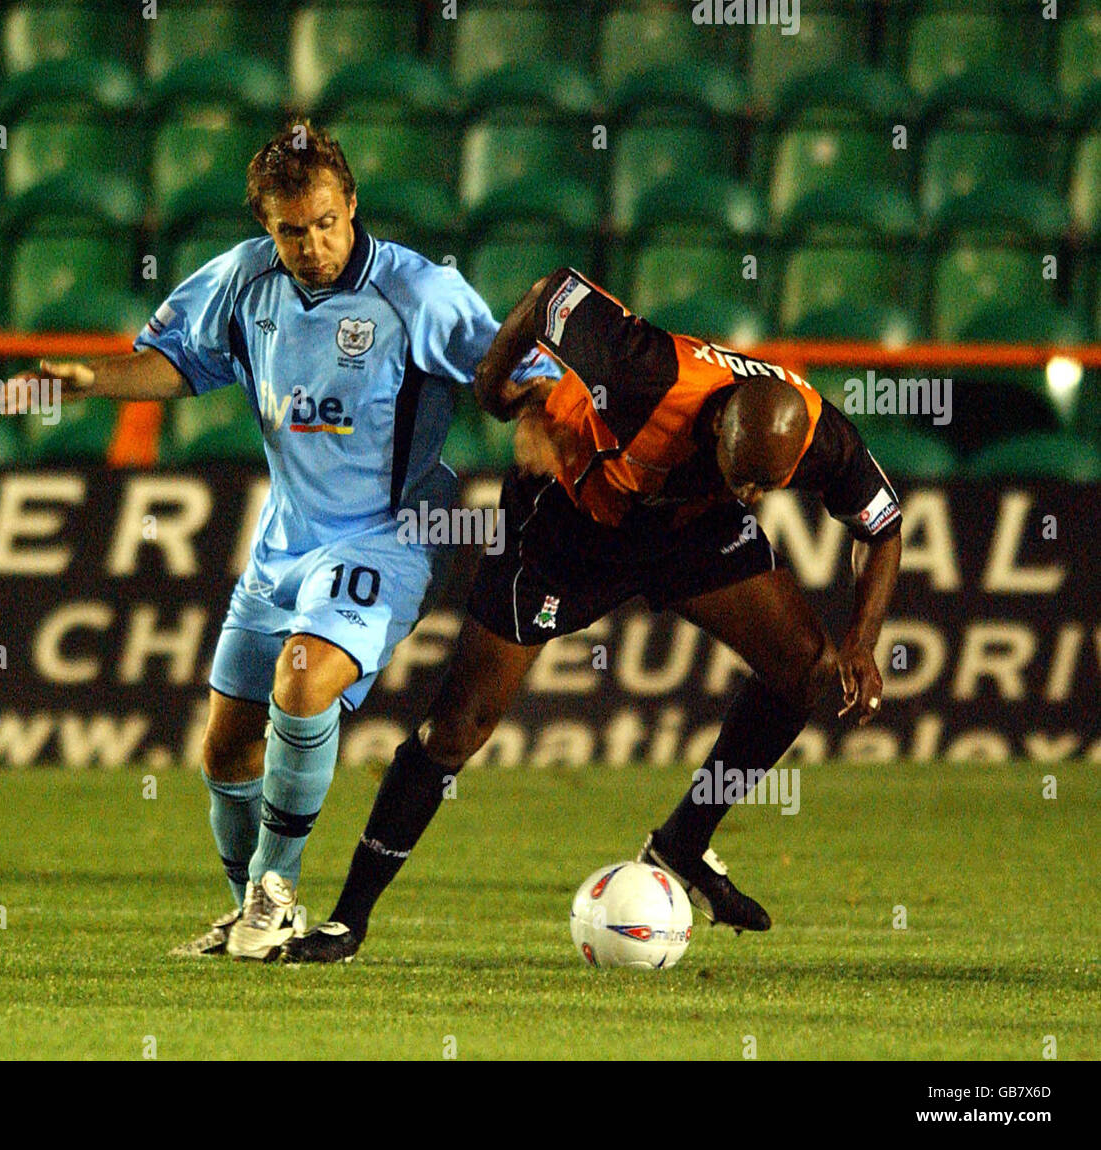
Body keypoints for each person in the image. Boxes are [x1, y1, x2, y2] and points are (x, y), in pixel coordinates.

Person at [3, 124, 556, 959]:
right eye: (292, 230)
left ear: (352, 205)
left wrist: (540, 423)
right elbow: (178, 363)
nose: (313, 246)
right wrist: (89, 381)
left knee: (303, 683)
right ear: (267, 226)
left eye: (327, 223)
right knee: (225, 746)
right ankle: (250, 909)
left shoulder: (419, 292)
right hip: (283, 541)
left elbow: (509, 371)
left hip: (389, 531)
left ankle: (276, 889)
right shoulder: (245, 278)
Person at [285, 266, 904, 963]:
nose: (759, 498)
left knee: (805, 667)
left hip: (688, 532)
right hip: (567, 527)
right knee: (459, 726)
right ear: (719, 426)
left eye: (771, 484)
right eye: (747, 480)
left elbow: (882, 527)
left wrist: (862, 640)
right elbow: (556, 291)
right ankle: (348, 920)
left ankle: (682, 846)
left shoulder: (816, 432)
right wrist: (498, 391)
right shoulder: (645, 371)